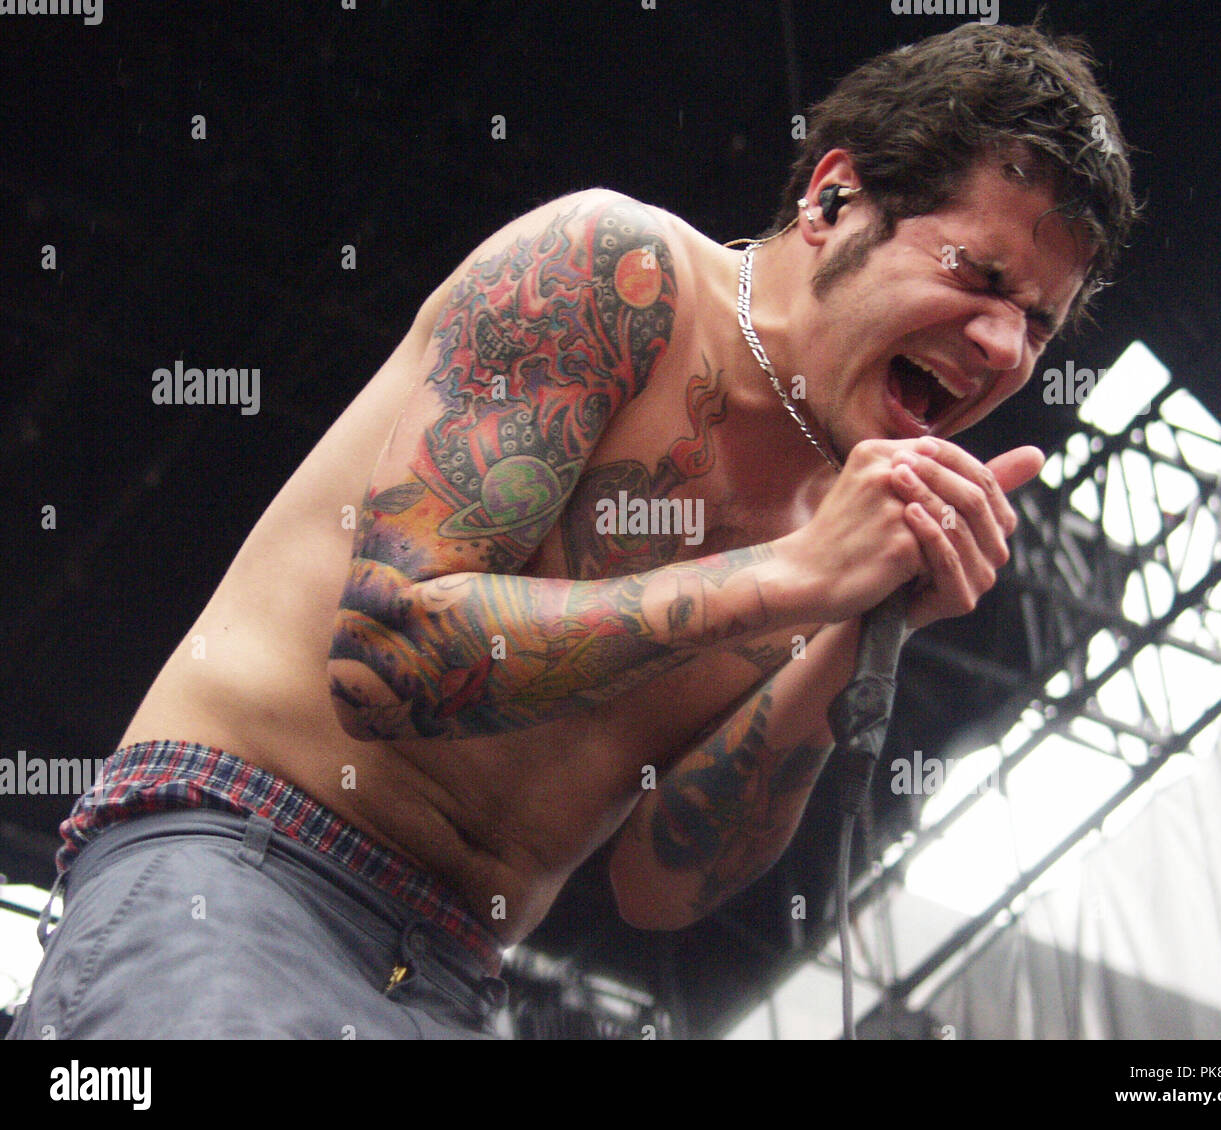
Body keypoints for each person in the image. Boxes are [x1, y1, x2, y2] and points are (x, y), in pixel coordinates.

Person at [8, 21, 1136, 1040]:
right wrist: (792, 577)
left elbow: (663, 883)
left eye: (1035, 321)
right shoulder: (619, 272)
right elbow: (389, 653)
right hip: (240, 862)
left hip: (455, 970)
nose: (1001, 345)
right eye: (977, 273)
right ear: (835, 196)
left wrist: (859, 622)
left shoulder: (839, 536)